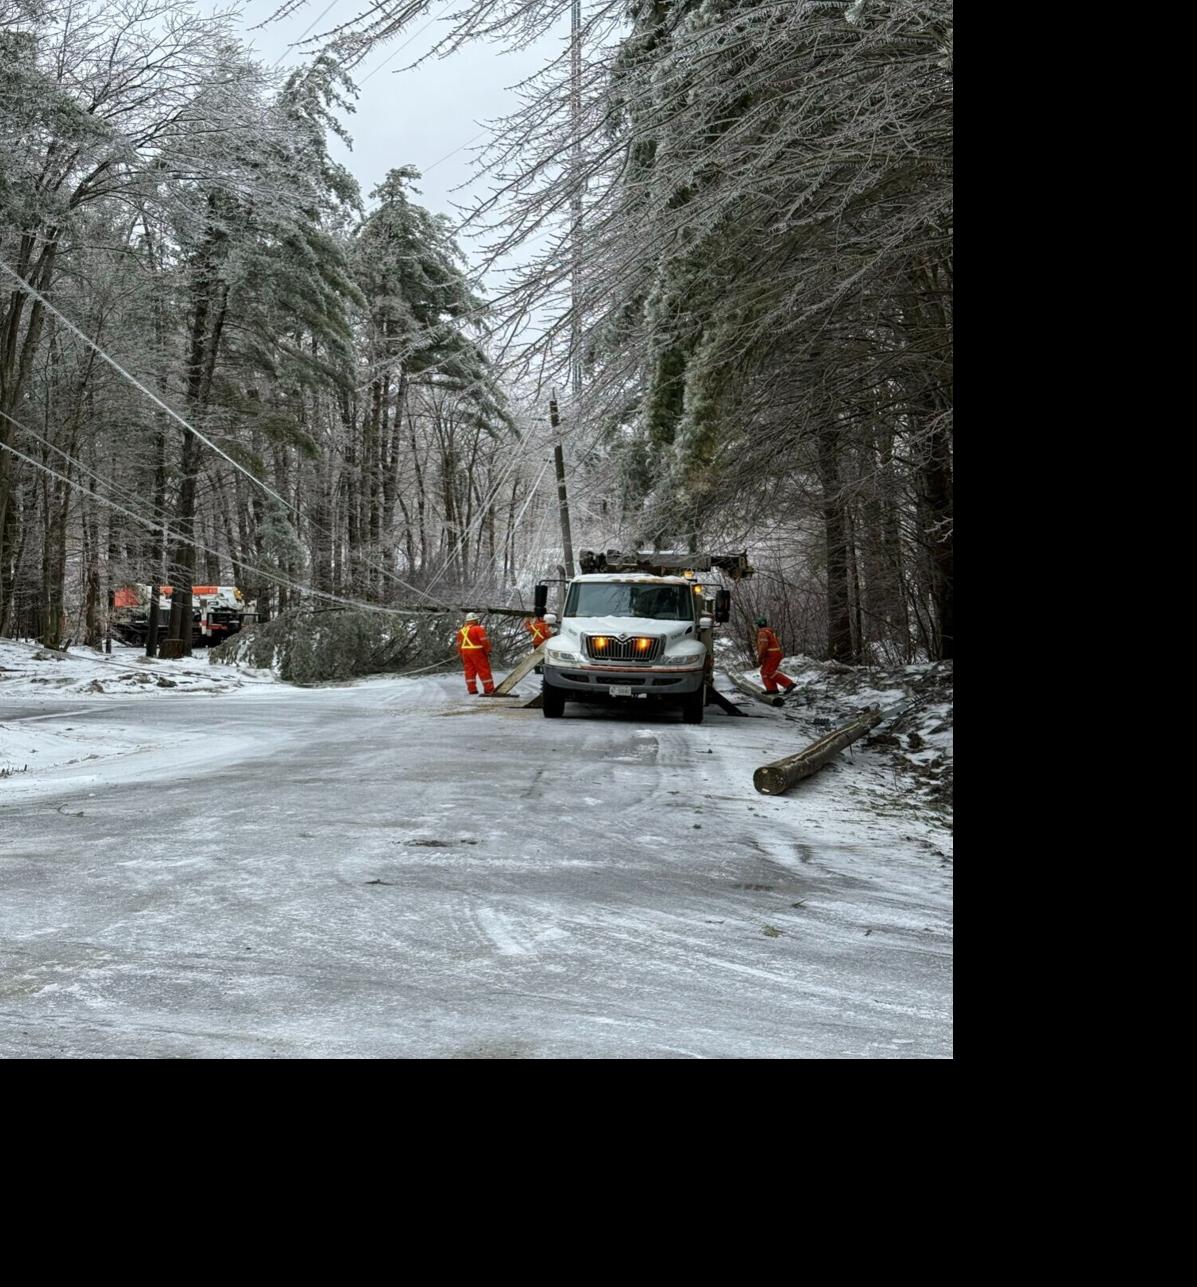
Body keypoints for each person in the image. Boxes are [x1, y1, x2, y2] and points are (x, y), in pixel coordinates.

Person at [456, 612, 496, 695]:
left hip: (465, 653)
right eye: (476, 620)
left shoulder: (461, 631)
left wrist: (460, 654)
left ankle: (472, 690)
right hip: (477, 652)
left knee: (469, 671)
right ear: (474, 620)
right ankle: (489, 690)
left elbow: (459, 644)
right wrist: (488, 650)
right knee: (484, 670)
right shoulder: (478, 629)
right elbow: (484, 641)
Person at [755, 616, 797, 695]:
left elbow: (764, 646)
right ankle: (772, 689)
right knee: (764, 671)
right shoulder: (769, 632)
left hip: (772, 655)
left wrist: (760, 657)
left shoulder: (762, 633)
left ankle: (789, 684)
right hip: (773, 654)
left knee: (769, 671)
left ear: (758, 625)